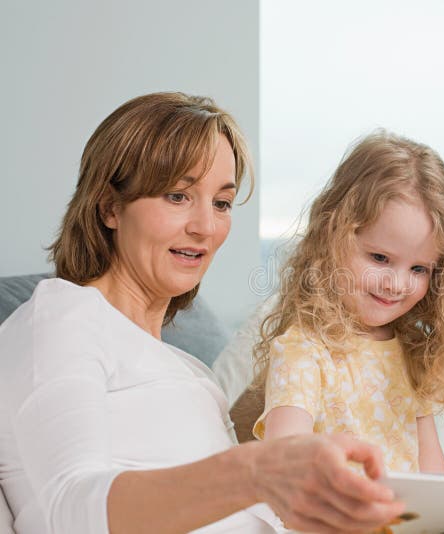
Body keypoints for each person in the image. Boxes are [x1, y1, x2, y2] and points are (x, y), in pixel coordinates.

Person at [0, 92, 404, 534]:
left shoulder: (193, 374)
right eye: (177, 196)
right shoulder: (62, 319)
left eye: (222, 203)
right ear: (110, 206)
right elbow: (73, 511)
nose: (206, 227)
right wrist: (255, 470)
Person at [251, 131, 444, 473]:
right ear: (332, 238)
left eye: (418, 269)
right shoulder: (303, 351)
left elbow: (431, 467)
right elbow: (284, 463)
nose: (396, 284)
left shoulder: (412, 351)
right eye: (380, 257)